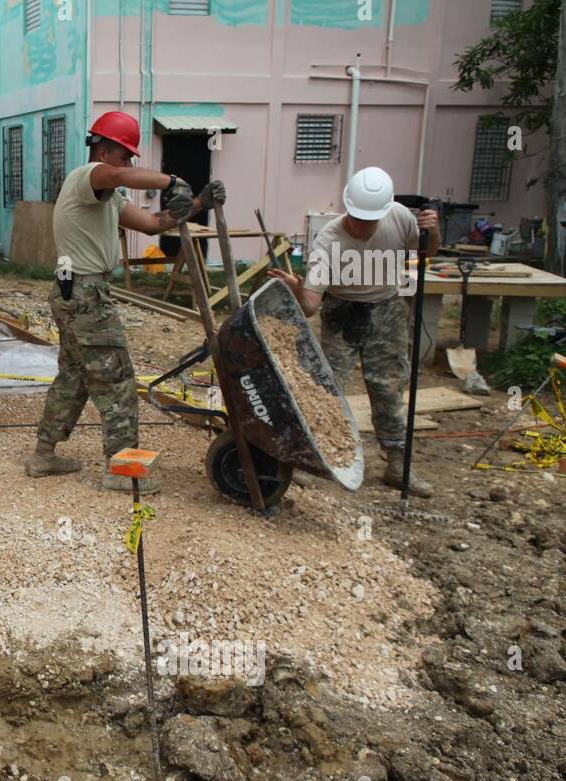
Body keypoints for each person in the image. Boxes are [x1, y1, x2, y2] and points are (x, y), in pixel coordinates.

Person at [27, 111, 225, 492]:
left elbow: (153, 224)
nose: (129, 164)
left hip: (75, 293)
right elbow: (116, 176)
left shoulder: (107, 197)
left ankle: (44, 455)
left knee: (74, 376)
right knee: (117, 380)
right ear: (103, 151)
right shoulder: (89, 177)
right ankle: (120, 470)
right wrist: (174, 179)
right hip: (86, 296)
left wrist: (197, 202)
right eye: (125, 155)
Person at [267, 166, 439, 496]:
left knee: (388, 386)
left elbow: (426, 251)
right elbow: (311, 307)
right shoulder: (328, 241)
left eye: (369, 219)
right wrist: (298, 291)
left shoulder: (400, 217)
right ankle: (315, 458)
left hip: (388, 308)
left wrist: (434, 231)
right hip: (342, 311)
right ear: (347, 207)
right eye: (357, 217)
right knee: (328, 388)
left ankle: (398, 465)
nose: (362, 225)